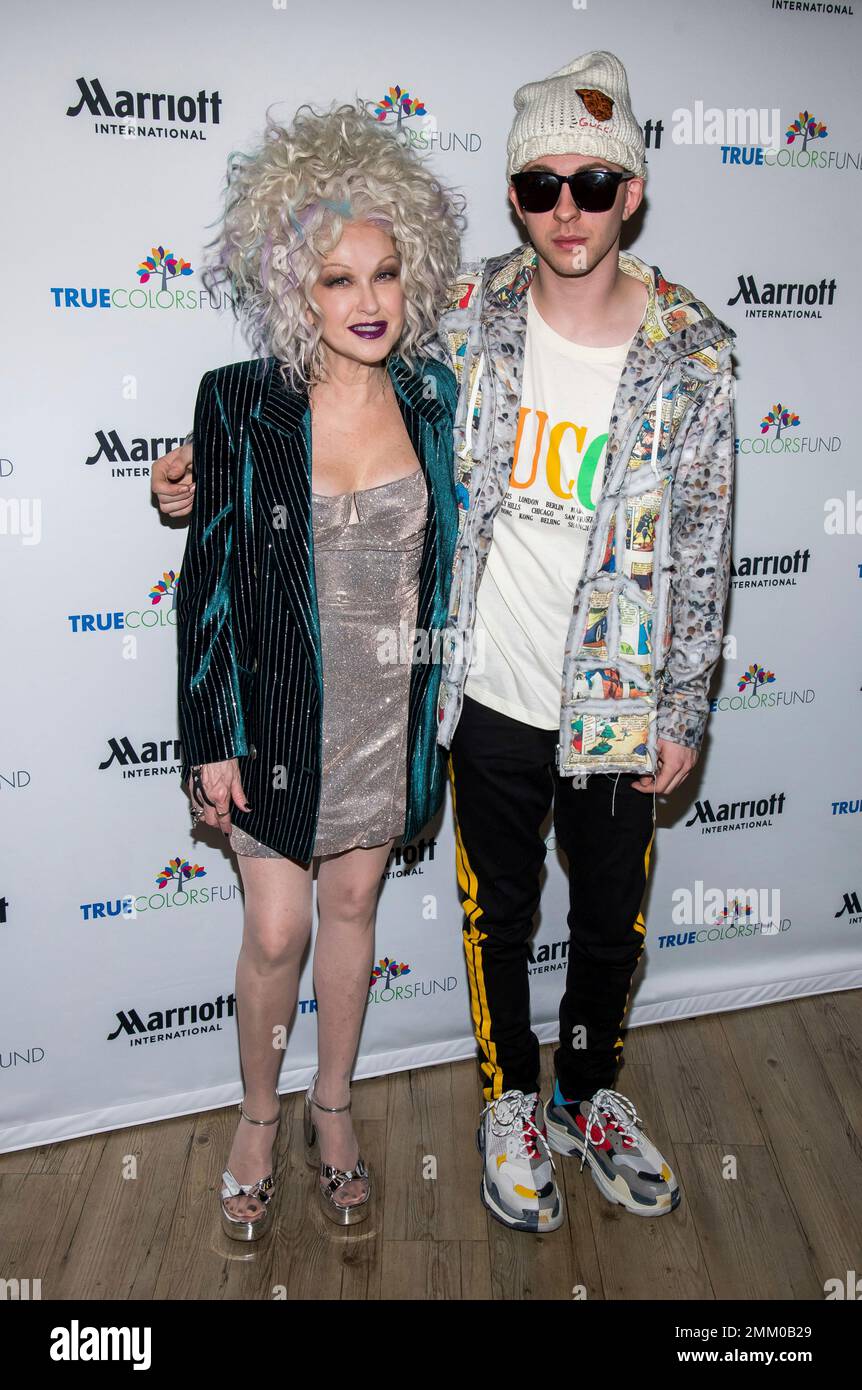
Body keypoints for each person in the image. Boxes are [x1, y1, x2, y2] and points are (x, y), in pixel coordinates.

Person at [155, 50, 737, 1238]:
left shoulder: (623, 358)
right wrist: (186, 484)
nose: (565, 208)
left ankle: (491, 1101)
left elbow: (708, 537)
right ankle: (304, 1114)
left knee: (564, 923)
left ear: (630, 188)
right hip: (375, 707)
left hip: (488, 709)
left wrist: (683, 702)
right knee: (321, 925)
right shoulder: (388, 350)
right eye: (539, 186)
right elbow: (214, 561)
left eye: (591, 182)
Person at [173, 99, 462, 1240]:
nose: (368, 302)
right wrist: (209, 731)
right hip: (279, 712)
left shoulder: (439, 398)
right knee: (278, 928)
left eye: (386, 273)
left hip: (389, 711)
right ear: (292, 284)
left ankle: (330, 1109)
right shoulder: (239, 401)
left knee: (352, 902)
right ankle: (257, 1114)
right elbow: (208, 582)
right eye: (337, 279)